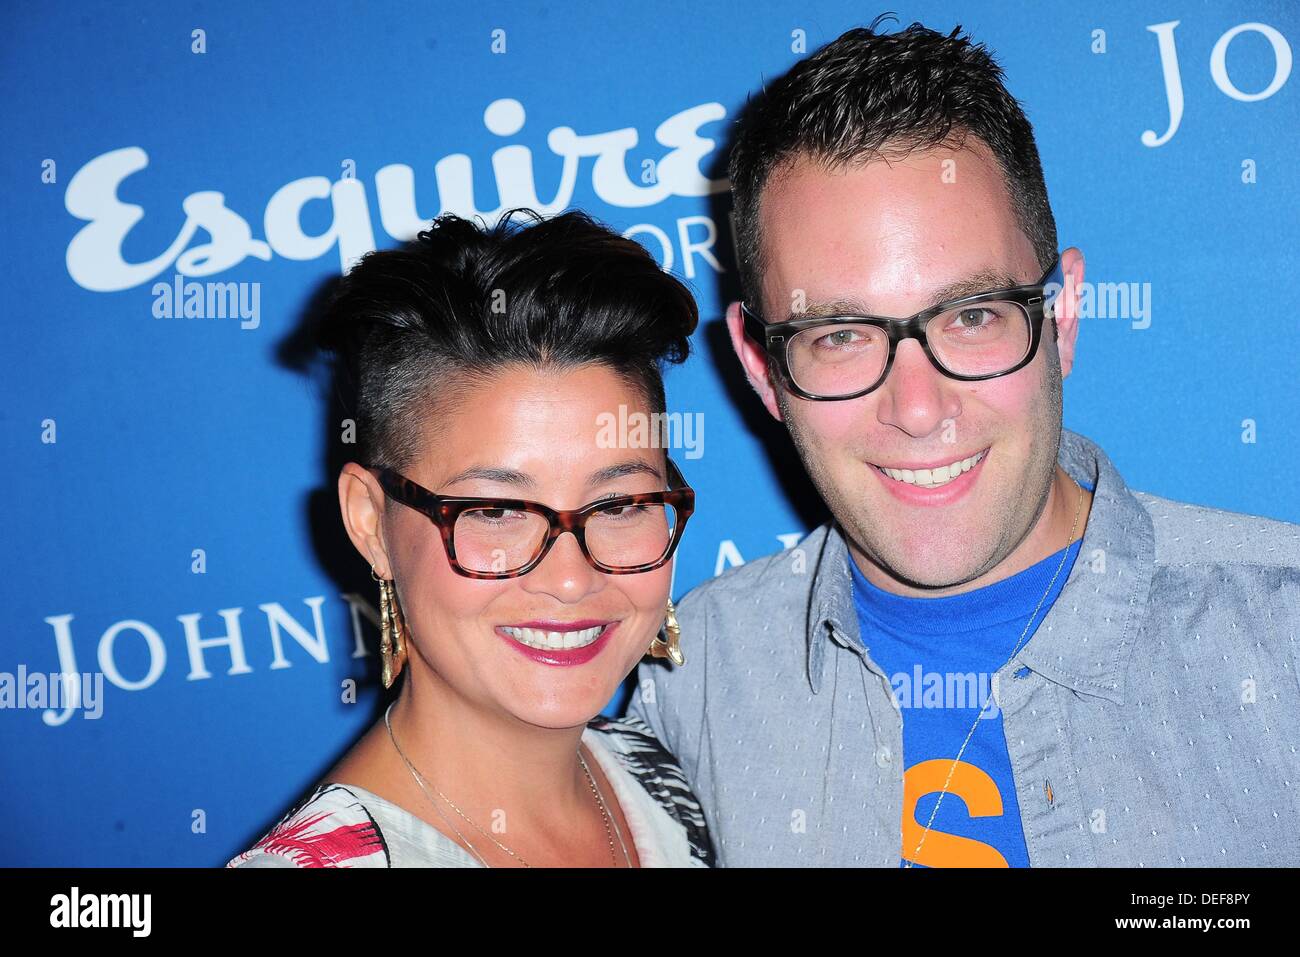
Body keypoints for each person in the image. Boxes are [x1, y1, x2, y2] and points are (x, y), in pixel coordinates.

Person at [627, 19, 1300, 867]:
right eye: (839, 334)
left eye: (972, 315)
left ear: (1062, 316)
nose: (916, 407)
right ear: (763, 368)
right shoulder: (697, 690)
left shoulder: (1282, 641)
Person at [228, 208, 712, 868]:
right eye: (494, 510)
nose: (571, 578)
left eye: (620, 502)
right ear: (371, 521)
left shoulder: (660, 779)